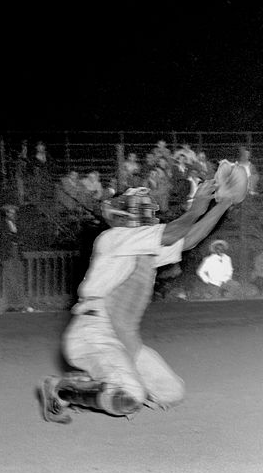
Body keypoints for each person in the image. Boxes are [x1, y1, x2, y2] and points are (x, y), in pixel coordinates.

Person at [39, 181, 237, 425]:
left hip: (124, 338)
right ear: (120, 214)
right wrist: (196, 209)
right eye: (140, 208)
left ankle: (98, 384)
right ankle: (61, 389)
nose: (145, 213)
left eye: (146, 209)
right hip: (93, 332)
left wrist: (223, 204)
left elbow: (189, 239)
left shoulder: (142, 246)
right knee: (129, 397)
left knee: (171, 392)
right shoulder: (113, 238)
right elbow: (173, 234)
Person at [0, 204, 28, 312]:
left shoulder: (16, 224)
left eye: (13, 212)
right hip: (6, 253)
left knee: (18, 278)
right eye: (10, 212)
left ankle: (20, 304)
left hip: (17, 252)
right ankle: (11, 305)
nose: (12, 214)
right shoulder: (0, 224)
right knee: (10, 279)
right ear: (6, 213)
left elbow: (20, 237)